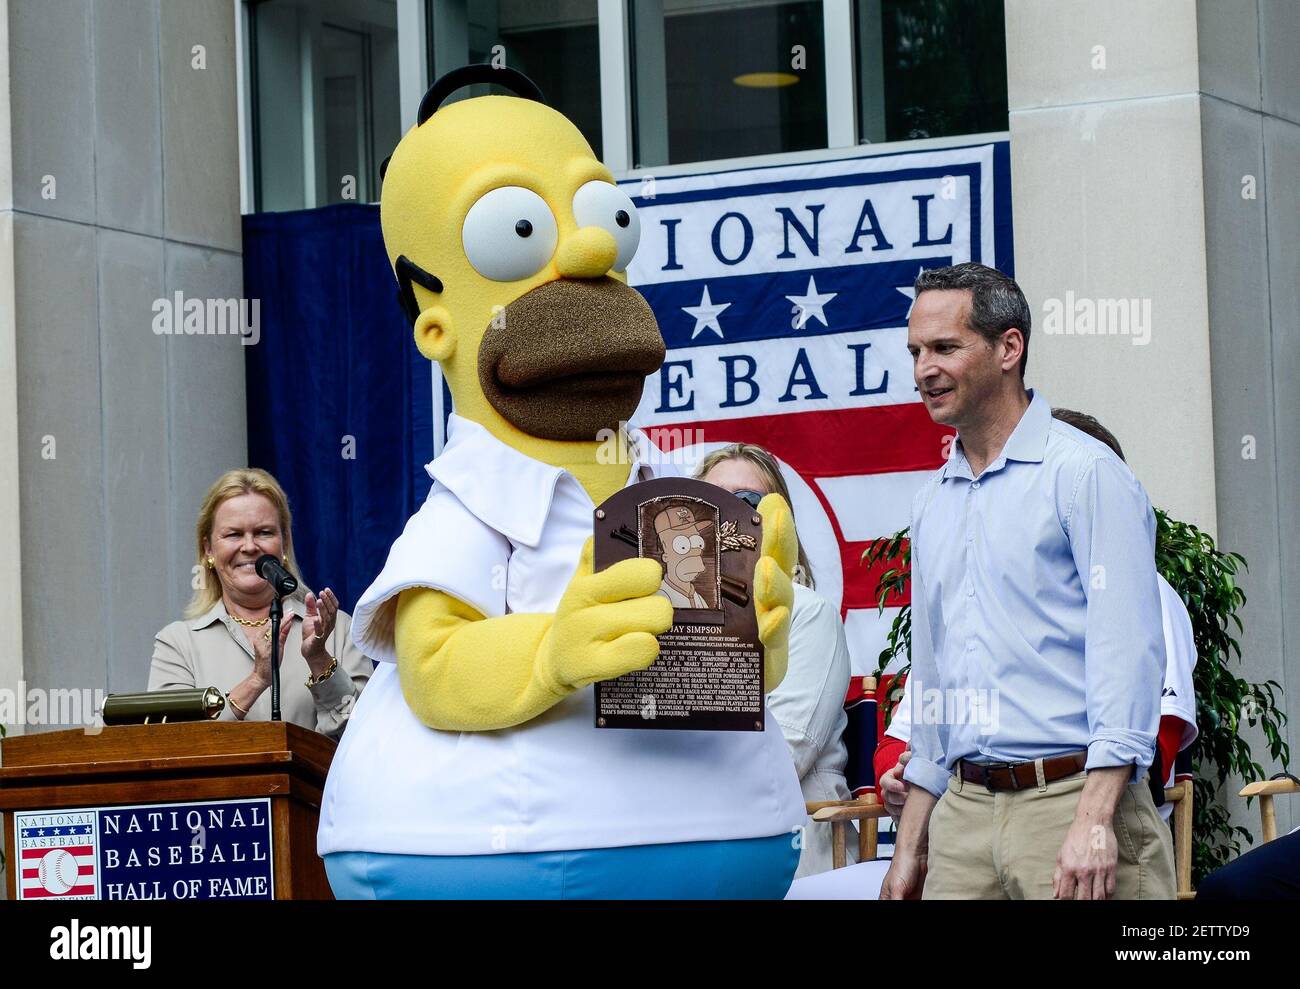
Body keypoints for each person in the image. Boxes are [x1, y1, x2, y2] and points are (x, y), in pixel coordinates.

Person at [881, 262, 1176, 900]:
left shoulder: (1087, 474)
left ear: (1009, 348)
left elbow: (1128, 659)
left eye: (945, 348)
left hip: (1074, 801)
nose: (923, 369)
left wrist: (1095, 819)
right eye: (916, 351)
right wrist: (910, 846)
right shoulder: (932, 500)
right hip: (961, 813)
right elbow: (934, 679)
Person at [877, 409, 1199, 829]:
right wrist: (902, 778)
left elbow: (1159, 742)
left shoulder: (1150, 589)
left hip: (1074, 806)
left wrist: (1086, 814)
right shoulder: (987, 583)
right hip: (969, 814)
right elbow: (917, 728)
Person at [698, 443, 856, 877]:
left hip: (791, 853)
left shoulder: (807, 613)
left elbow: (784, 755)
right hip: (694, 846)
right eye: (708, 502)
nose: (727, 516)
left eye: (747, 502)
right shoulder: (667, 619)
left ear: (779, 520)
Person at [149, 468, 371, 740]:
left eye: (263, 532)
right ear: (208, 549)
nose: (250, 546)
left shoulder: (338, 631)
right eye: (233, 534)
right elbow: (172, 744)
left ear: (284, 543)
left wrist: (319, 659)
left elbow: (363, 737)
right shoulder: (178, 644)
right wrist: (257, 681)